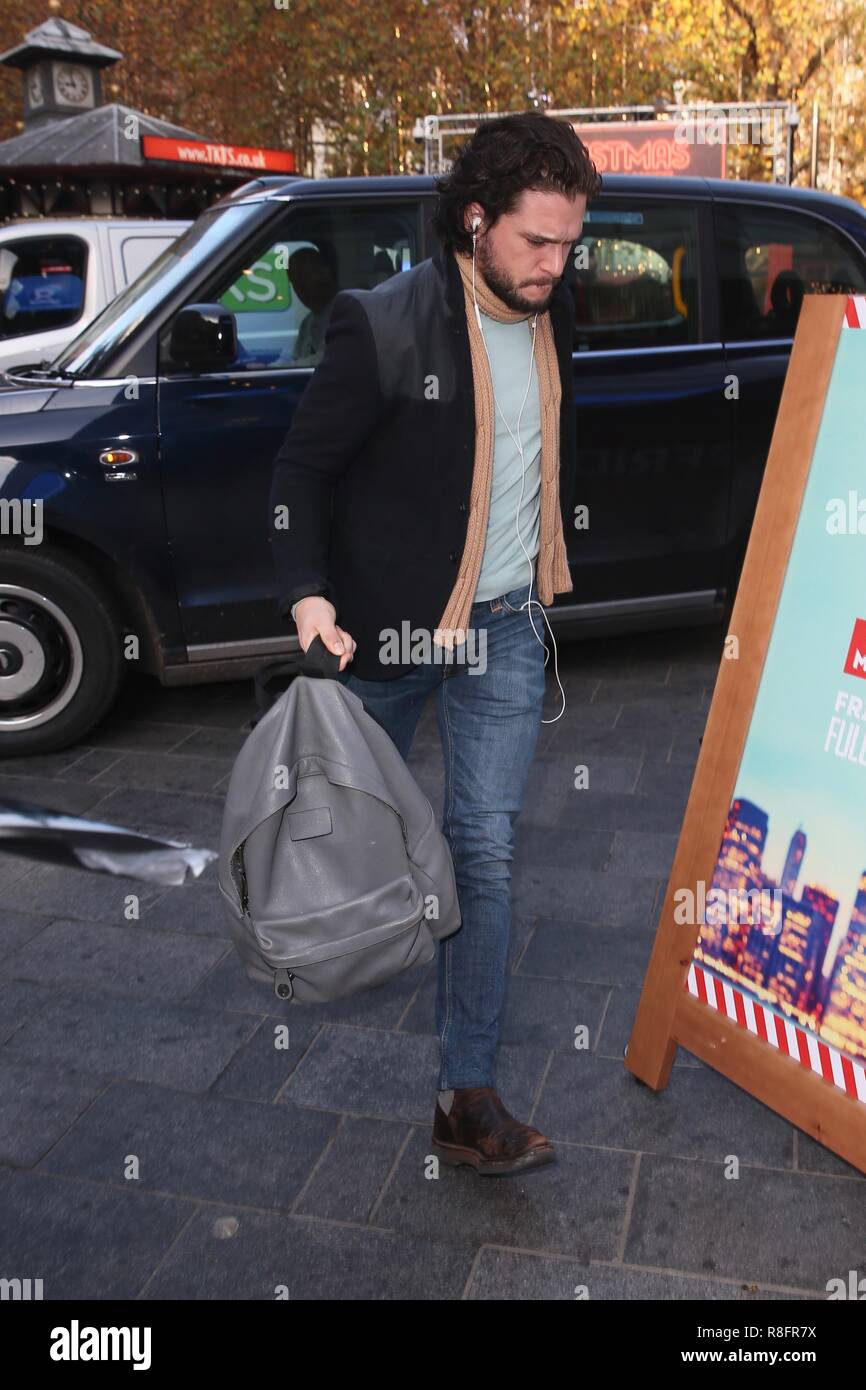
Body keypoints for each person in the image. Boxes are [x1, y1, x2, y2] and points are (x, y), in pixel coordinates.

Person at [268, 111, 602, 1176]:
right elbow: (299, 476)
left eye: (568, 244)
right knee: (331, 836)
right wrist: (307, 599)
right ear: (474, 220)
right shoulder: (385, 323)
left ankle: (466, 1097)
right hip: (391, 628)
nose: (555, 265)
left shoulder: (558, 314)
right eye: (534, 242)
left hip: (504, 629)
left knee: (487, 855)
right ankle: (302, 944)